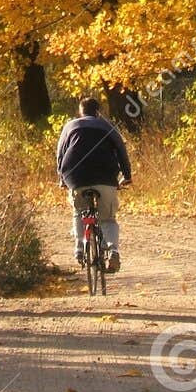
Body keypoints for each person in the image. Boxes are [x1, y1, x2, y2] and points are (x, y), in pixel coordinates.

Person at [56, 97, 132, 272]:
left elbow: (60, 154)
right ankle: (113, 250)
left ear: (80, 112)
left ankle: (79, 248)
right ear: (98, 112)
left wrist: (62, 178)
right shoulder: (107, 126)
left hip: (75, 175)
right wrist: (126, 176)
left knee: (79, 211)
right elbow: (121, 151)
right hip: (105, 175)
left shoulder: (70, 126)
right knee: (108, 218)